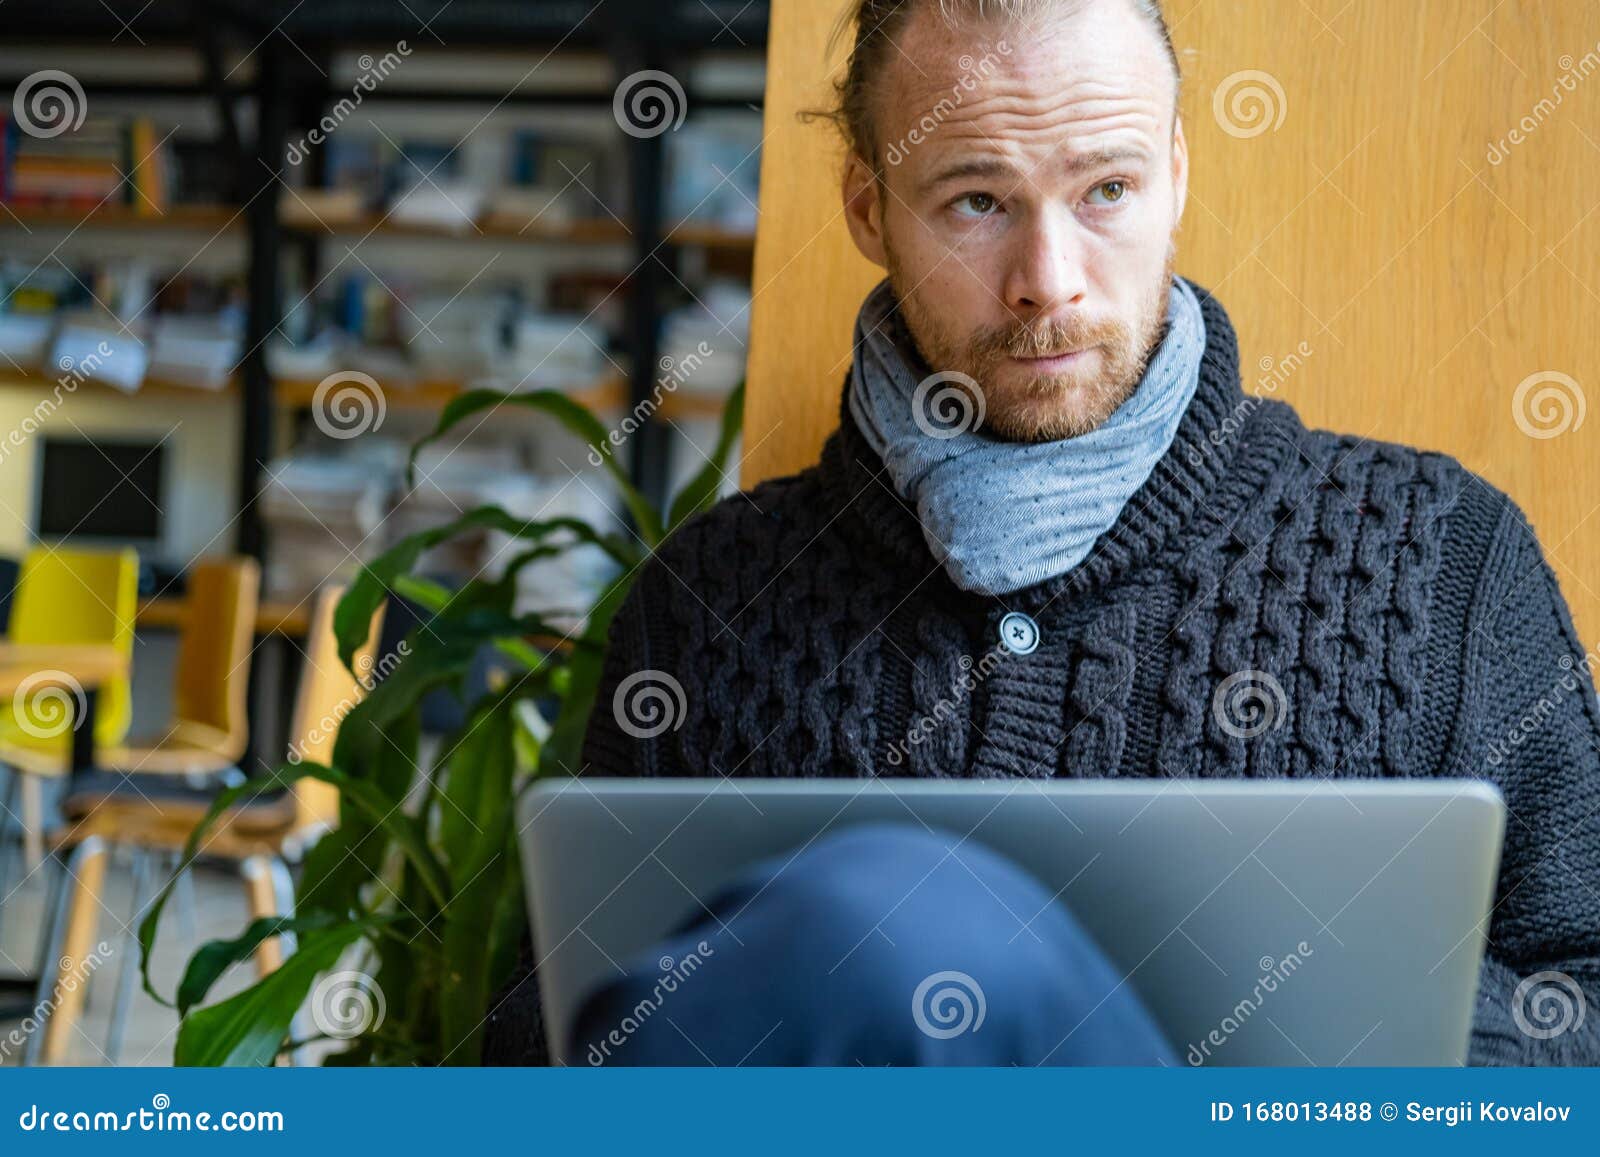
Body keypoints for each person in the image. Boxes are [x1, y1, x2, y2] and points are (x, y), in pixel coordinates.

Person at [485, 0, 1600, 1065]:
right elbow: (552, 1043)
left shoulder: (1439, 555)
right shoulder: (704, 601)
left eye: (1106, 189)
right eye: (977, 202)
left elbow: (1584, 1005)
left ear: (1177, 174)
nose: (1047, 283)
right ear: (868, 209)